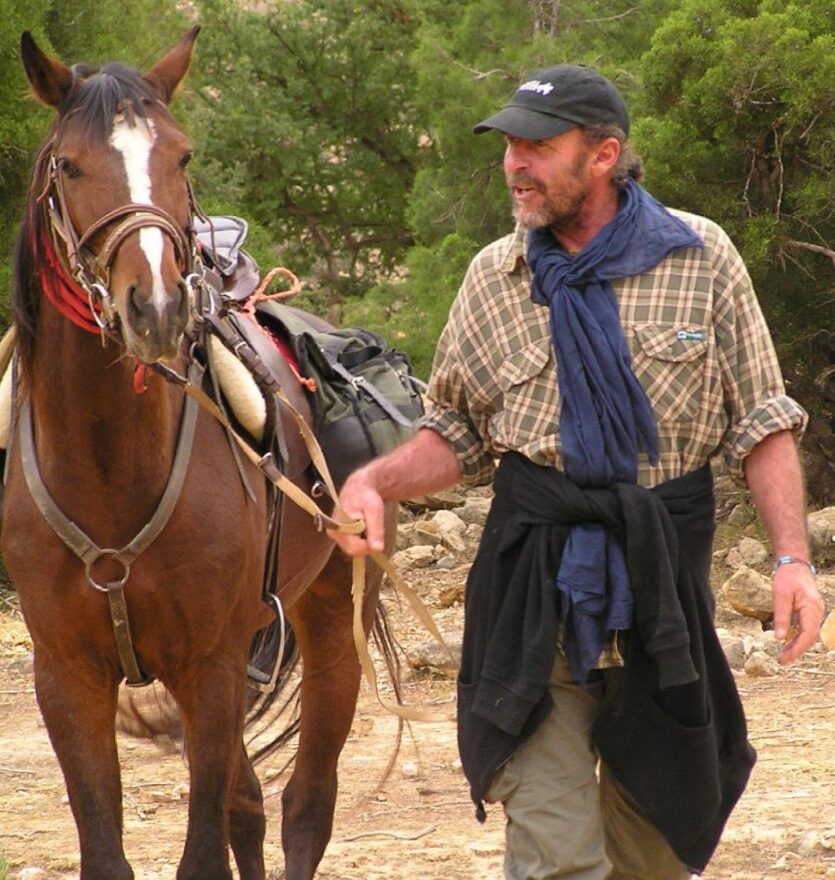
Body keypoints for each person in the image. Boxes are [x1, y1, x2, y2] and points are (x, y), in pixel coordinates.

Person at [328, 64, 824, 880]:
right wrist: (374, 481)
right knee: (556, 856)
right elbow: (456, 433)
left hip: (663, 585)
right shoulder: (496, 276)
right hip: (532, 589)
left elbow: (761, 422)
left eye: (537, 146)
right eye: (509, 147)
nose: (514, 164)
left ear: (602, 155)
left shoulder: (701, 257)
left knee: (654, 849)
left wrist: (790, 560)